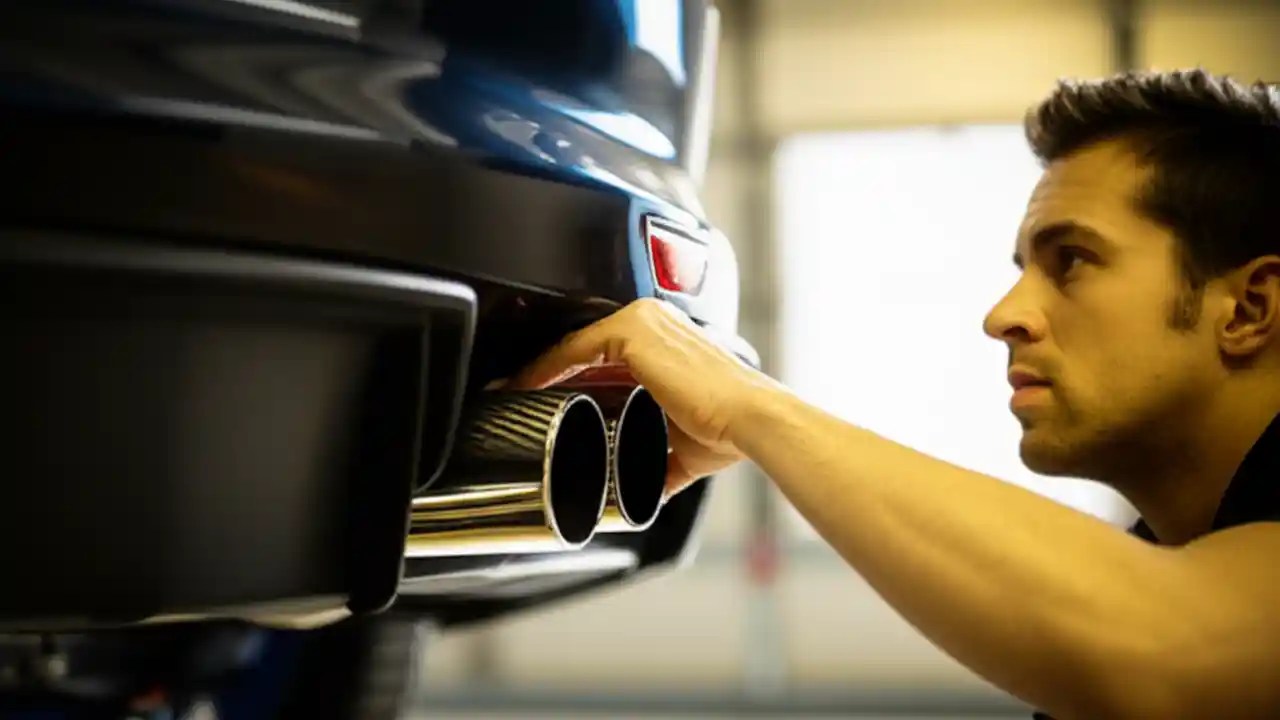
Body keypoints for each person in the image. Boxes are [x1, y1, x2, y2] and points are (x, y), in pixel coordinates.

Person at [509, 68, 1280, 720]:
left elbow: (1163, 654)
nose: (1004, 315)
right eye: (1023, 269)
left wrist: (750, 408)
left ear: (1249, 310)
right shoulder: (1148, 577)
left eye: (1072, 260)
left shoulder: (1154, 632)